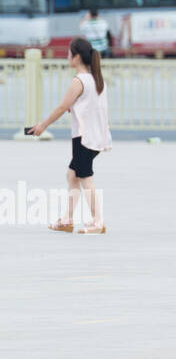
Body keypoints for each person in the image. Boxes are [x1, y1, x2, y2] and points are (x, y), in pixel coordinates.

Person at [27, 38, 112, 234]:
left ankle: (98, 221)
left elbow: (62, 107)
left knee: (85, 177)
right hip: (96, 137)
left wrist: (42, 125)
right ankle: (67, 219)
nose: (66, 57)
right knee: (72, 175)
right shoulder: (96, 80)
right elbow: (87, 106)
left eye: (68, 53)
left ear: (77, 57)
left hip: (84, 137)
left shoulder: (79, 81)